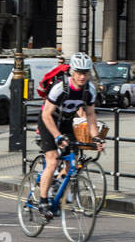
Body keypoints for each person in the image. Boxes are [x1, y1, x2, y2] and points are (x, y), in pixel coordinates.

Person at [35, 52, 104, 216]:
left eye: (86, 73)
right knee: (52, 161)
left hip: (66, 121)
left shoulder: (89, 90)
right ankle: (43, 201)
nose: (82, 76)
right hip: (49, 121)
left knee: (73, 160)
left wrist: (96, 137)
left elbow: (91, 115)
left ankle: (59, 183)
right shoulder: (60, 88)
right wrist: (57, 136)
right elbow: (46, 114)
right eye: (79, 72)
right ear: (72, 71)